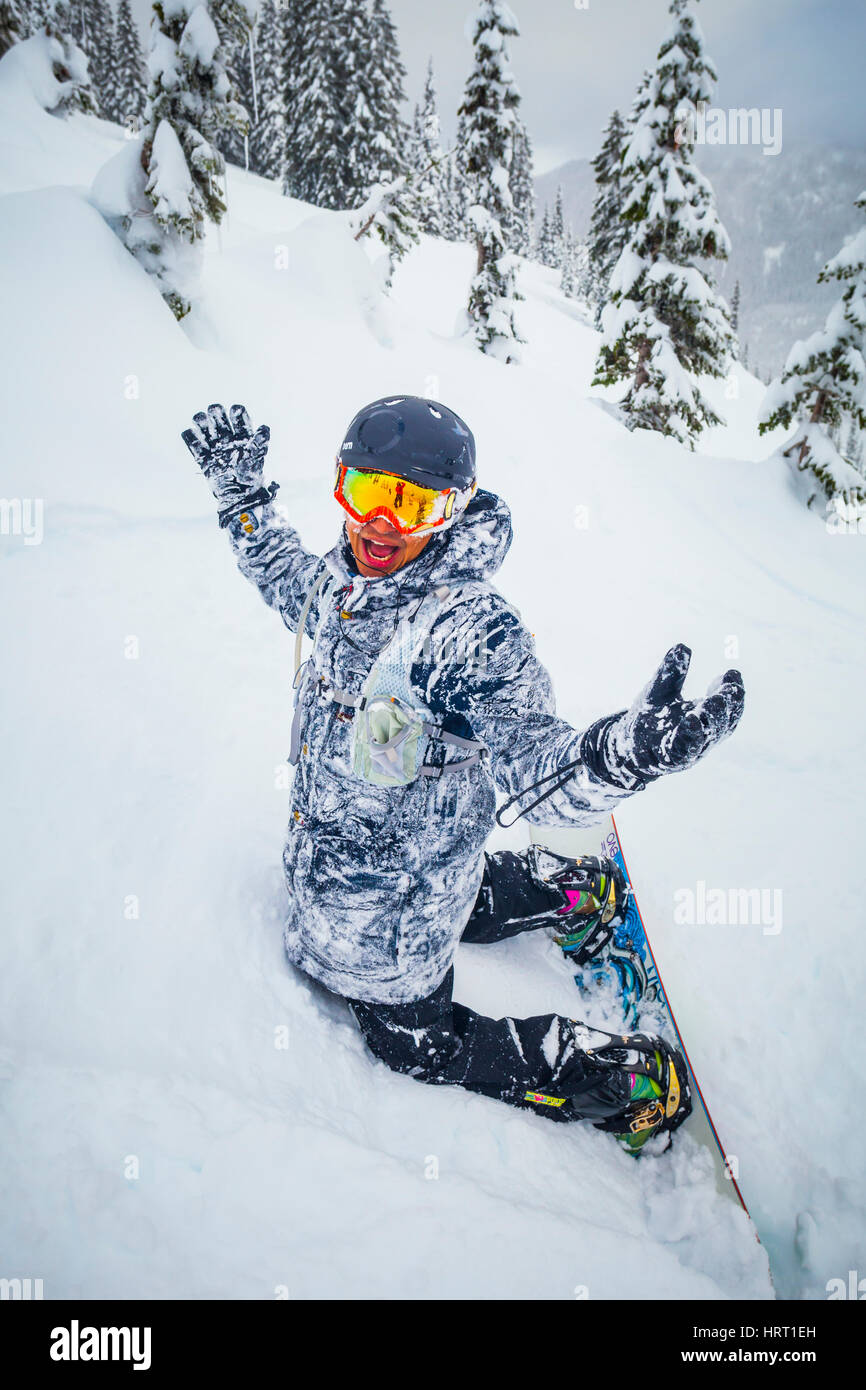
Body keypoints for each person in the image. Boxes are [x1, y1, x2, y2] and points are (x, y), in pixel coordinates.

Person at [182, 396, 745, 1152]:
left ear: (452, 512)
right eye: (367, 492)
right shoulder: (341, 588)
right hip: (375, 876)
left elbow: (537, 764)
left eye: (412, 503)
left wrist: (620, 757)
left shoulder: (470, 633)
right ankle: (568, 894)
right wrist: (242, 496)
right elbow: (284, 572)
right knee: (460, 887)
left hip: (390, 941)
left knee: (415, 1047)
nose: (381, 524)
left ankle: (619, 1076)